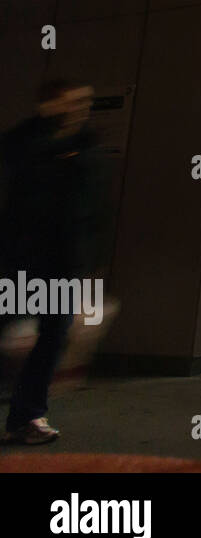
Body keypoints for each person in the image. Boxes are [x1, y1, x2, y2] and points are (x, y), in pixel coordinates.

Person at [0, 79, 106, 444]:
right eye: (70, 102)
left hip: (64, 265)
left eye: (83, 101)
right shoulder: (27, 145)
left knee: (52, 339)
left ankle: (27, 418)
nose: (79, 108)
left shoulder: (87, 148)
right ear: (48, 106)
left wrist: (89, 263)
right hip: (21, 261)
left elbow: (90, 212)